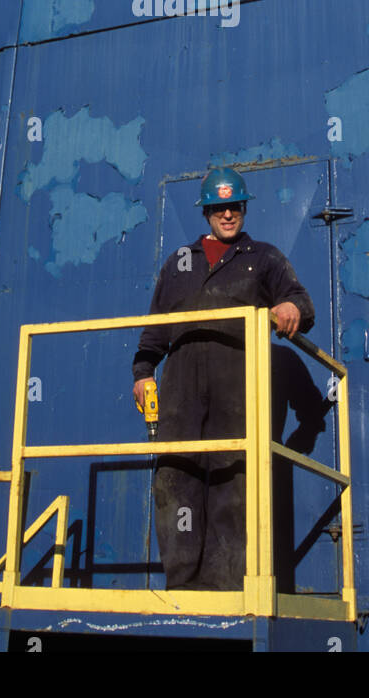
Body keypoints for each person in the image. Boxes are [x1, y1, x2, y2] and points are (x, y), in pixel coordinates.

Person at [131, 166, 315, 590]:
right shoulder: (179, 263)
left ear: (244, 208)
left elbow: (301, 302)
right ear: (206, 212)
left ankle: (229, 588)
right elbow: (155, 328)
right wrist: (143, 373)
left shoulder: (264, 258)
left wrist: (290, 310)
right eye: (218, 208)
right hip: (179, 390)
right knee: (177, 478)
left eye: (233, 206)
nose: (227, 215)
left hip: (239, 386)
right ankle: (182, 586)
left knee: (235, 481)